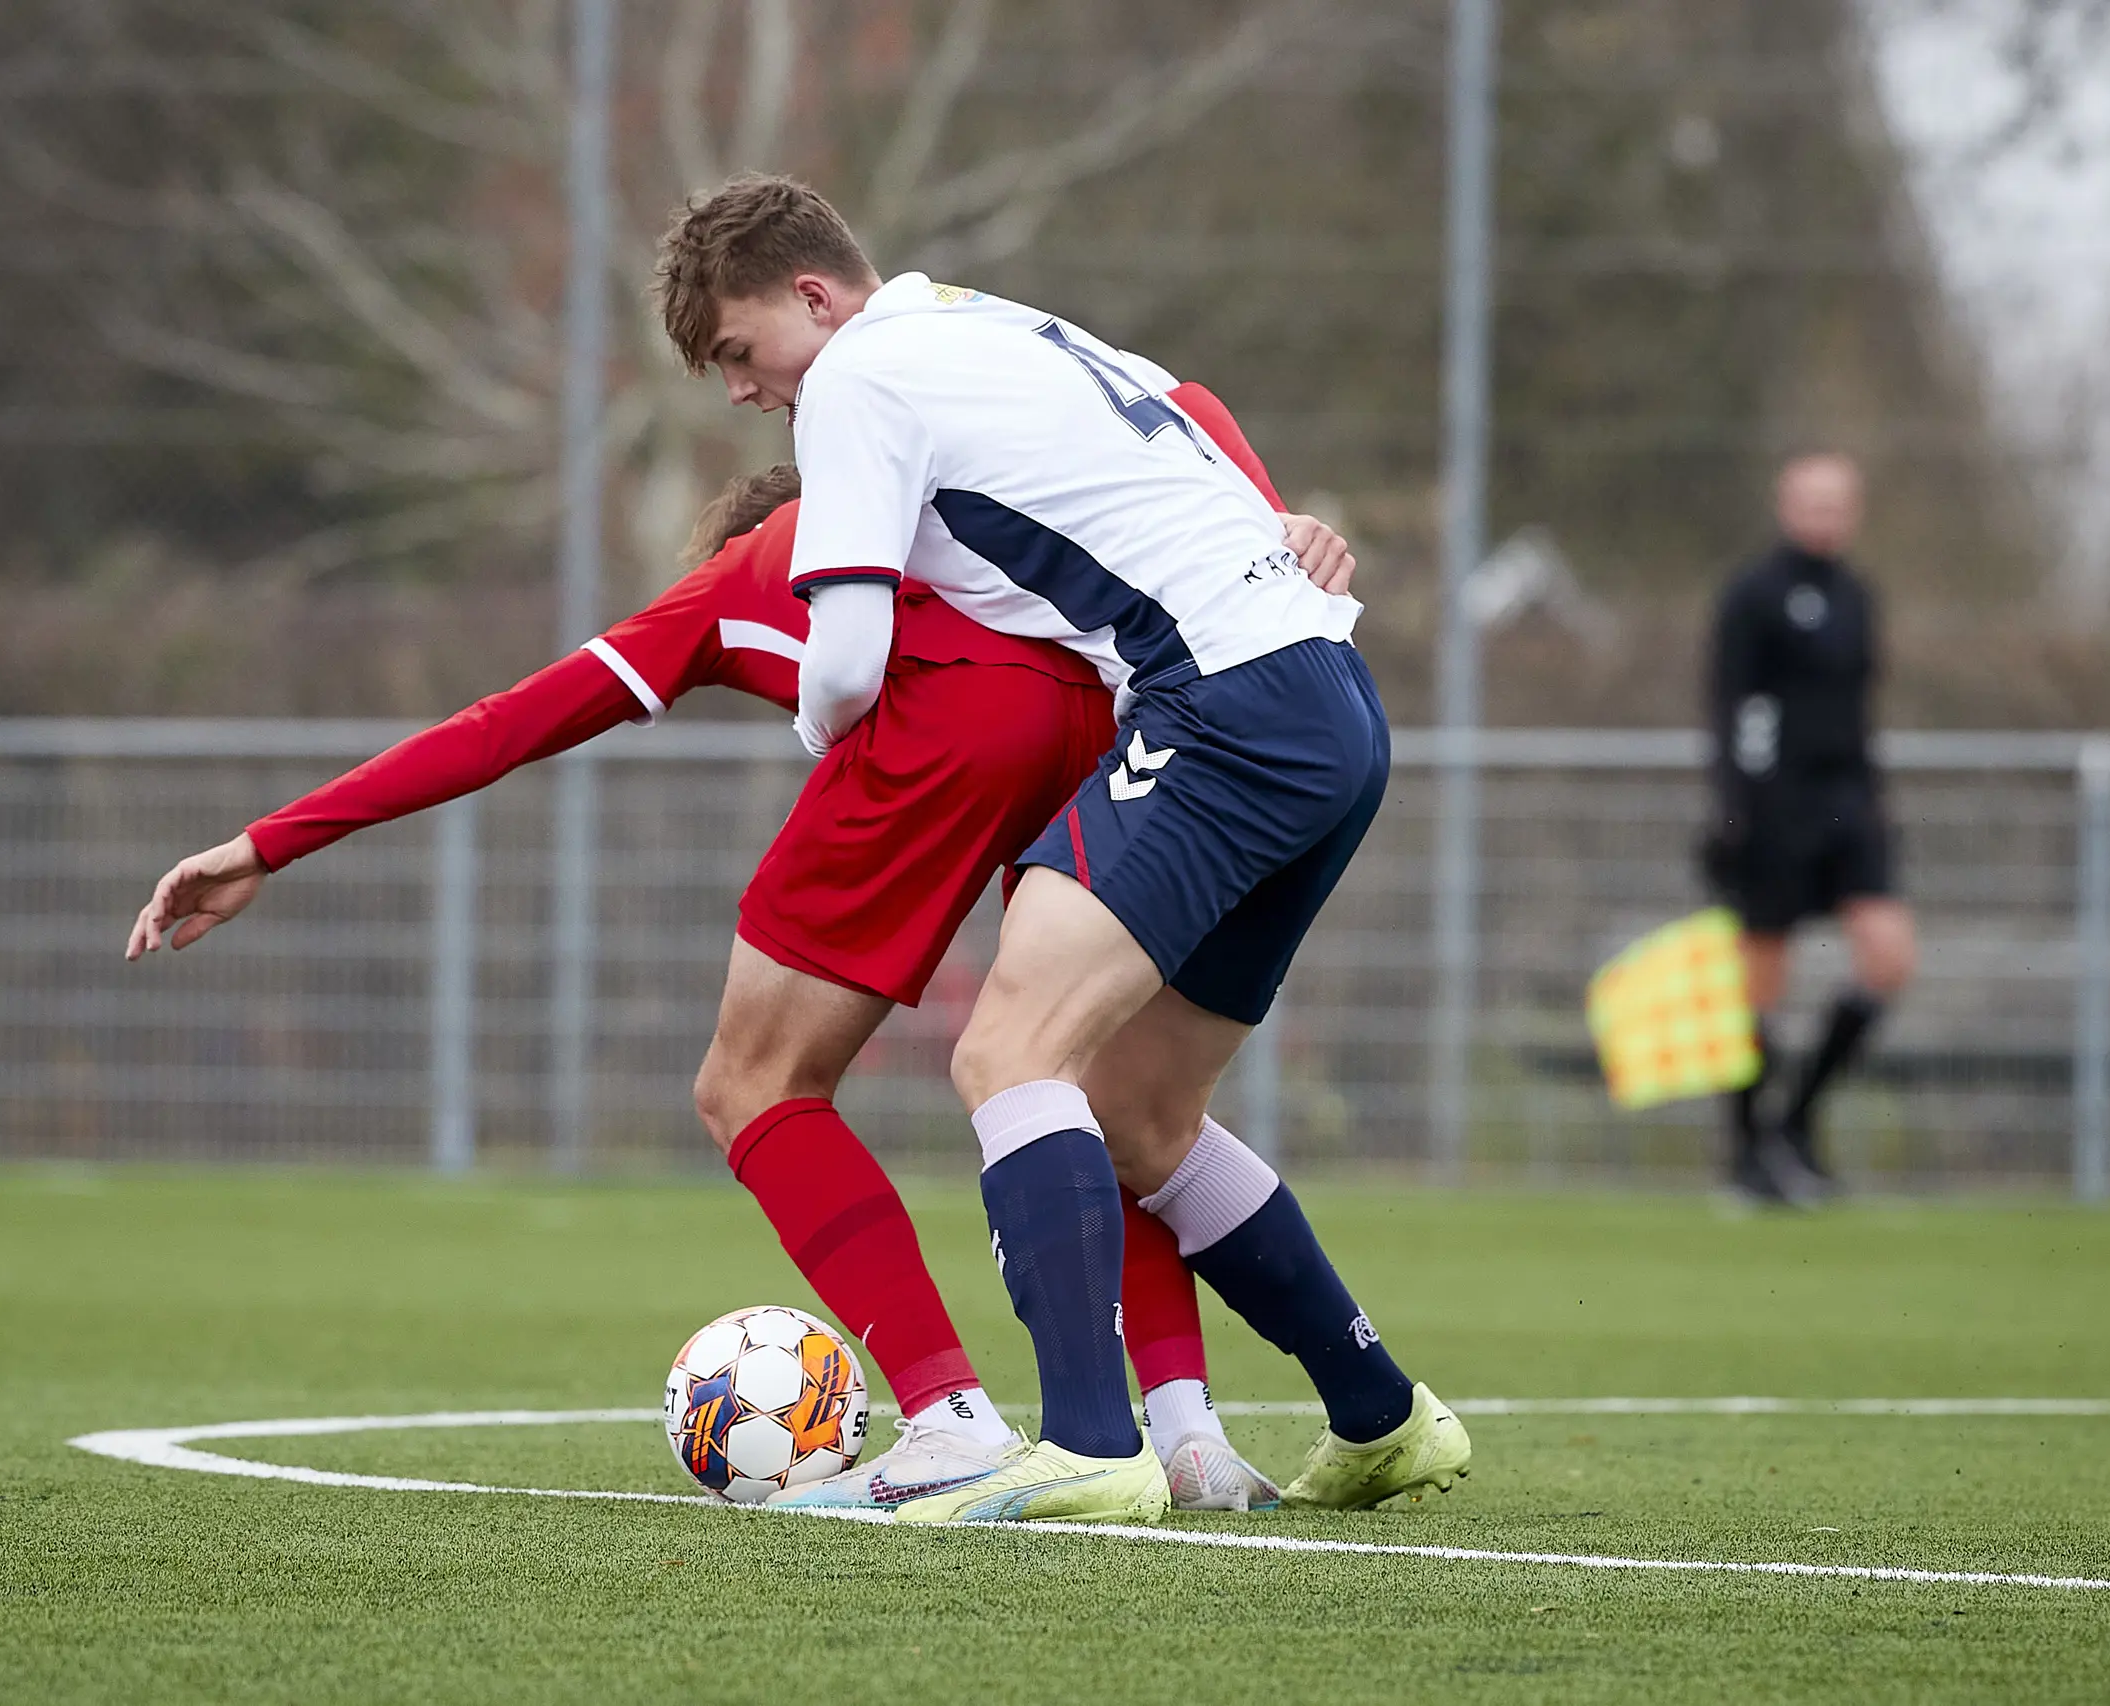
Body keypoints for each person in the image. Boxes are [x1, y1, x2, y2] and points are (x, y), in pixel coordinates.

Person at [127, 438, 1349, 1514]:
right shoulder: (963, 509)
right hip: (1124, 710)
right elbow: (1168, 397)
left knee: (751, 1080)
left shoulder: (740, 572)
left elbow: (507, 722)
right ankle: (1186, 1432)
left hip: (949, 732)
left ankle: (948, 1414)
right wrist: (1267, 510)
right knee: (1078, 1080)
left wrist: (269, 840)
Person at [656, 173, 1469, 1525]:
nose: (744, 392)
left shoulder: (857, 374)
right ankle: (1383, 1416)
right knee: (1142, 1109)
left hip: (1222, 702)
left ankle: (1093, 1445)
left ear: (812, 297)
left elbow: (849, 653)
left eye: (741, 354)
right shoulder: (1002, 324)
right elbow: (1188, 430)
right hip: (1331, 702)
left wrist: (816, 724)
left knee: (1007, 1050)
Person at [1702, 452, 1918, 1206]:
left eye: (1837, 502)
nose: (1824, 514)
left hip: (1848, 805)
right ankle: (1746, 1156)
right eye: (1811, 500)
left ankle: (1793, 1124)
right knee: (1761, 983)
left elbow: (1857, 713)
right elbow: (1733, 710)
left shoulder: (1858, 596)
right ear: (1784, 503)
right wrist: (1733, 812)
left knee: (1888, 956)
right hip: (1775, 806)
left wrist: (1877, 805)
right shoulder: (1754, 594)